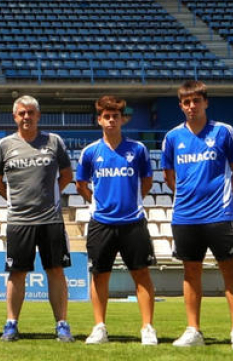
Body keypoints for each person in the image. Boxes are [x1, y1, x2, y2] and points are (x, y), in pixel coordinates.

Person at [161, 81, 233, 349]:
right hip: (185, 215)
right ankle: (193, 330)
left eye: (196, 101)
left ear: (205, 102)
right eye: (186, 102)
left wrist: (222, 198)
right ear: (181, 105)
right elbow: (169, 176)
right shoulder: (172, 137)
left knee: (229, 268)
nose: (191, 106)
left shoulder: (224, 132)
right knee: (190, 271)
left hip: (219, 213)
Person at [0, 95, 74, 343]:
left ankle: (62, 324)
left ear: (38, 115)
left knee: (56, 271)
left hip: (51, 220)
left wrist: (51, 196)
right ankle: (11, 324)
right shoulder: (5, 145)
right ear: (15, 117)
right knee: (17, 273)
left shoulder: (54, 141)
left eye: (31, 113)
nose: (26, 117)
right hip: (19, 221)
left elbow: (67, 174)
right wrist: (13, 198)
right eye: (22, 113)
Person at [76, 95, 158, 345]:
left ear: (123, 119)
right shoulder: (90, 152)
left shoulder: (138, 150)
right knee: (100, 275)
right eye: (106, 117)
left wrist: (132, 201)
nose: (111, 120)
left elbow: (146, 181)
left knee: (141, 274)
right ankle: (100, 326)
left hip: (133, 221)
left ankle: (147, 327)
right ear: (99, 120)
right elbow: (80, 184)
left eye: (116, 116)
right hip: (101, 222)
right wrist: (97, 202)